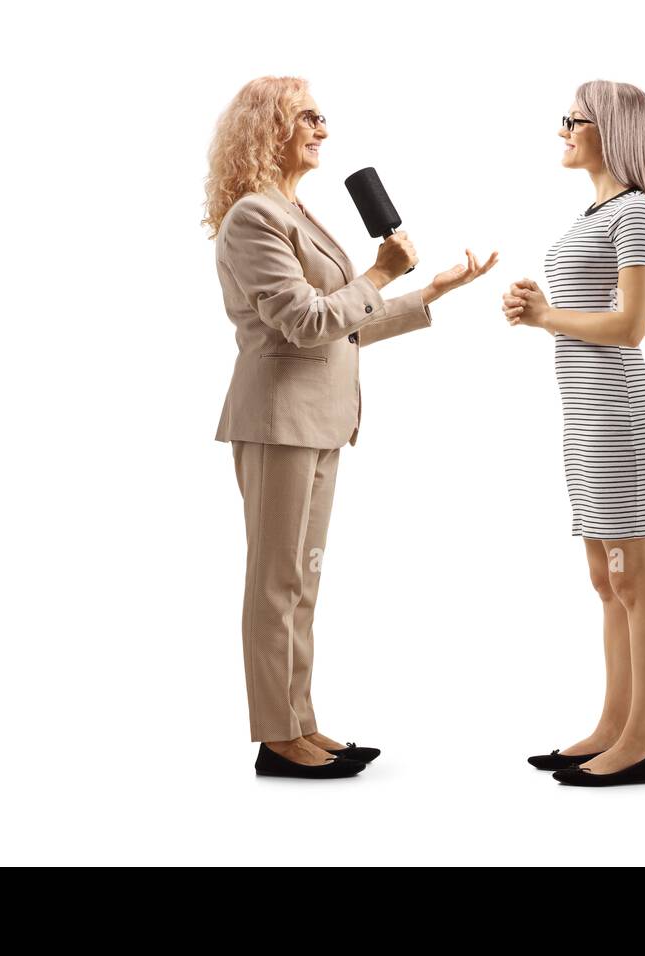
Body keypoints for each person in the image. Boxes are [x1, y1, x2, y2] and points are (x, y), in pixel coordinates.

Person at [203, 76, 497, 779]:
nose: (323, 129)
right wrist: (379, 270)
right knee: (276, 583)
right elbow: (304, 323)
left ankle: (302, 722)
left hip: (324, 420)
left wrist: (428, 291)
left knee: (302, 580)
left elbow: (344, 326)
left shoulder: (295, 210)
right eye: (308, 117)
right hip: (278, 420)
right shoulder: (254, 218)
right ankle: (278, 738)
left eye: (323, 117)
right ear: (267, 127)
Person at [502, 80, 645, 787]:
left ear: (609, 128)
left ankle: (637, 744)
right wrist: (533, 307)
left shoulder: (635, 214)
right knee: (607, 584)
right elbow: (580, 308)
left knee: (636, 581)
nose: (563, 131)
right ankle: (609, 726)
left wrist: (546, 318)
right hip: (587, 417)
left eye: (573, 120)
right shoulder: (594, 213)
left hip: (620, 418)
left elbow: (630, 326)